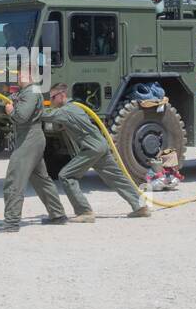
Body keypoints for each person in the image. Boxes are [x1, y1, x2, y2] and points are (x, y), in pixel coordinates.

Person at [42, 83, 150, 222]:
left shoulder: (65, 111)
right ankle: (140, 207)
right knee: (116, 177)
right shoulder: (75, 108)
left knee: (66, 176)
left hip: (92, 148)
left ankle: (84, 212)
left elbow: (45, 115)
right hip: (101, 146)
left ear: (62, 95)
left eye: (52, 98)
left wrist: (20, 108)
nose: (50, 101)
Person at [0, 70, 67, 232]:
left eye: (21, 75)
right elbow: (5, 106)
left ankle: (11, 222)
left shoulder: (32, 93)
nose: (18, 77)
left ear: (31, 76)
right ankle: (57, 214)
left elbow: (21, 116)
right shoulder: (24, 92)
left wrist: (10, 111)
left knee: (14, 179)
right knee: (41, 179)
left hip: (29, 139)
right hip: (30, 139)